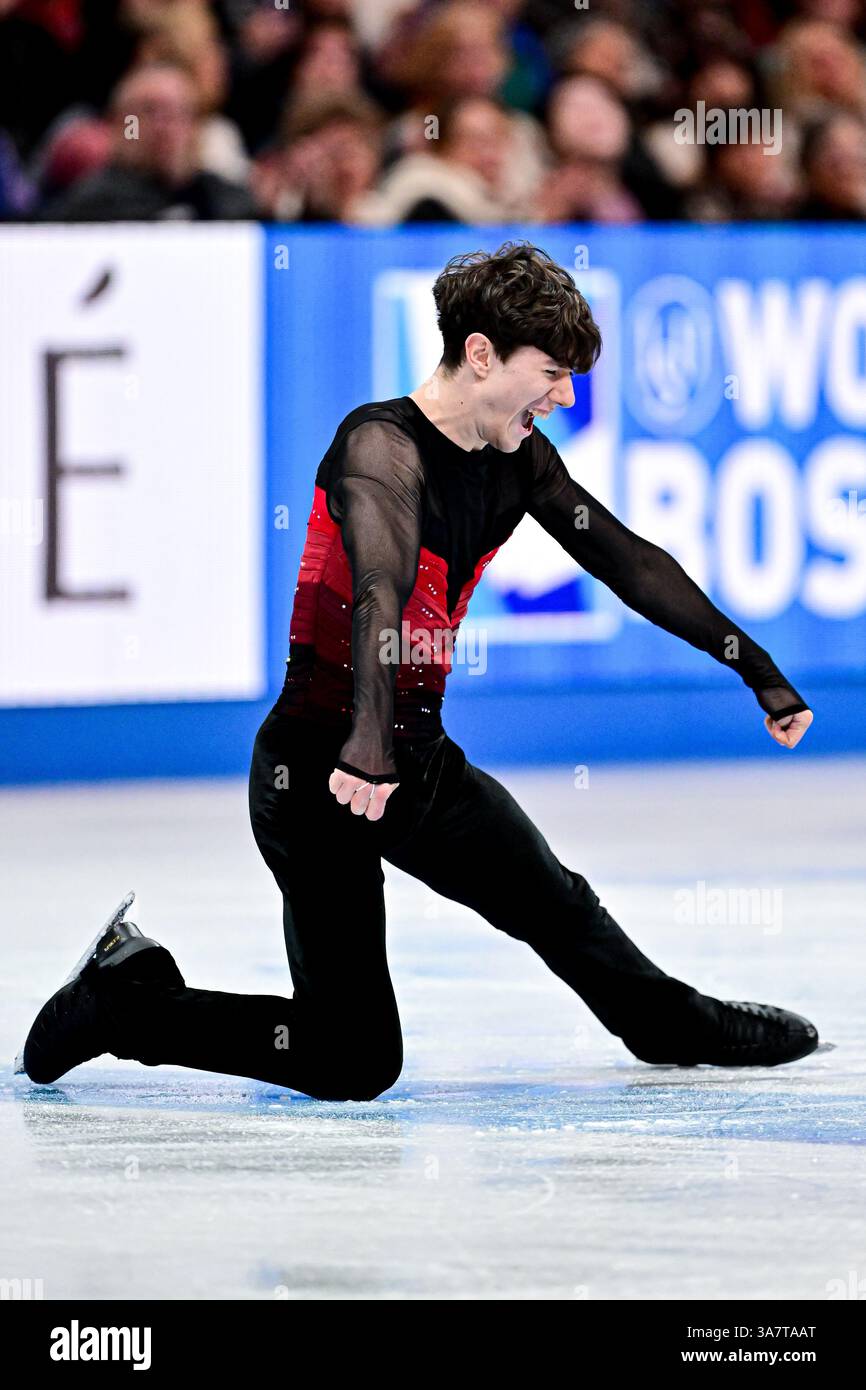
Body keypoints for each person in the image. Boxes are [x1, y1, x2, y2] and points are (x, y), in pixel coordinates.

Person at [16, 242, 821, 1100]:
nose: (565, 396)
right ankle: (124, 1004)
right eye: (550, 373)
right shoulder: (377, 446)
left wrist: (756, 665)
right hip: (317, 778)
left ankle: (670, 1023)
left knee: (558, 905)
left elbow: (627, 561)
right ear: (482, 355)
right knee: (352, 1057)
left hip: (417, 767)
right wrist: (366, 744)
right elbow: (379, 592)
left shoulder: (521, 460)